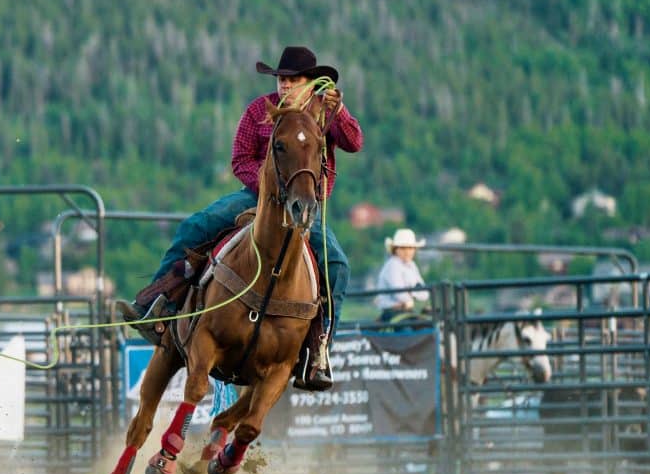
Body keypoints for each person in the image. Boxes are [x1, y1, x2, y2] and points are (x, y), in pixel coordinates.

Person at [115, 45, 364, 391]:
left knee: (336, 264)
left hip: (305, 202)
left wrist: (342, 111)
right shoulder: (258, 111)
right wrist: (267, 184)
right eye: (281, 79)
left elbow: (354, 142)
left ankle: (318, 350)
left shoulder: (326, 113)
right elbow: (240, 159)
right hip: (257, 197)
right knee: (196, 226)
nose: (285, 86)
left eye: (293, 80)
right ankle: (156, 305)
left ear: (310, 82)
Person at [374, 227, 430, 322]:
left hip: (407, 311)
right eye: (403, 248)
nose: (407, 251)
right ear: (396, 249)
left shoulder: (412, 265)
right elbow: (399, 294)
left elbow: (424, 293)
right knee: (412, 329)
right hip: (392, 312)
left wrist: (411, 295)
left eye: (410, 248)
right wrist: (413, 294)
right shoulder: (393, 265)